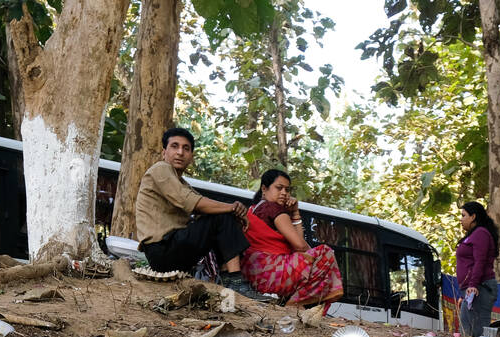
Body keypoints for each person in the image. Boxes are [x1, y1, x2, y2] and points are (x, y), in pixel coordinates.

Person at [135, 127, 266, 298]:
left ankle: (228, 276)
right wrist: (232, 208)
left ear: (191, 156)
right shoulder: (160, 169)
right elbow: (193, 202)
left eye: (186, 148)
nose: (180, 152)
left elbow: (201, 209)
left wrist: (232, 212)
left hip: (172, 249)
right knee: (223, 215)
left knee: (222, 216)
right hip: (161, 250)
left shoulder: (182, 183)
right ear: (164, 152)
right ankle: (235, 281)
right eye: (175, 146)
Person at [240, 168, 344, 306]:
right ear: (264, 189)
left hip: (254, 274)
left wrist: (294, 213)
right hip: (271, 273)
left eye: (287, 189)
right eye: (279, 188)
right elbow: (300, 247)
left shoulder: (254, 209)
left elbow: (298, 248)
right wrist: (295, 214)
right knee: (325, 253)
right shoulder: (273, 208)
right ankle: (295, 303)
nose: (284, 193)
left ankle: (292, 302)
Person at [455, 201, 499, 335]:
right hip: (471, 291)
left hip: (480, 288)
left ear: (473, 217)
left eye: (463, 215)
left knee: (476, 334)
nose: (460, 219)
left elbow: (480, 261)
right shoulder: (473, 235)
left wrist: (472, 285)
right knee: (465, 332)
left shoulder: (481, 233)